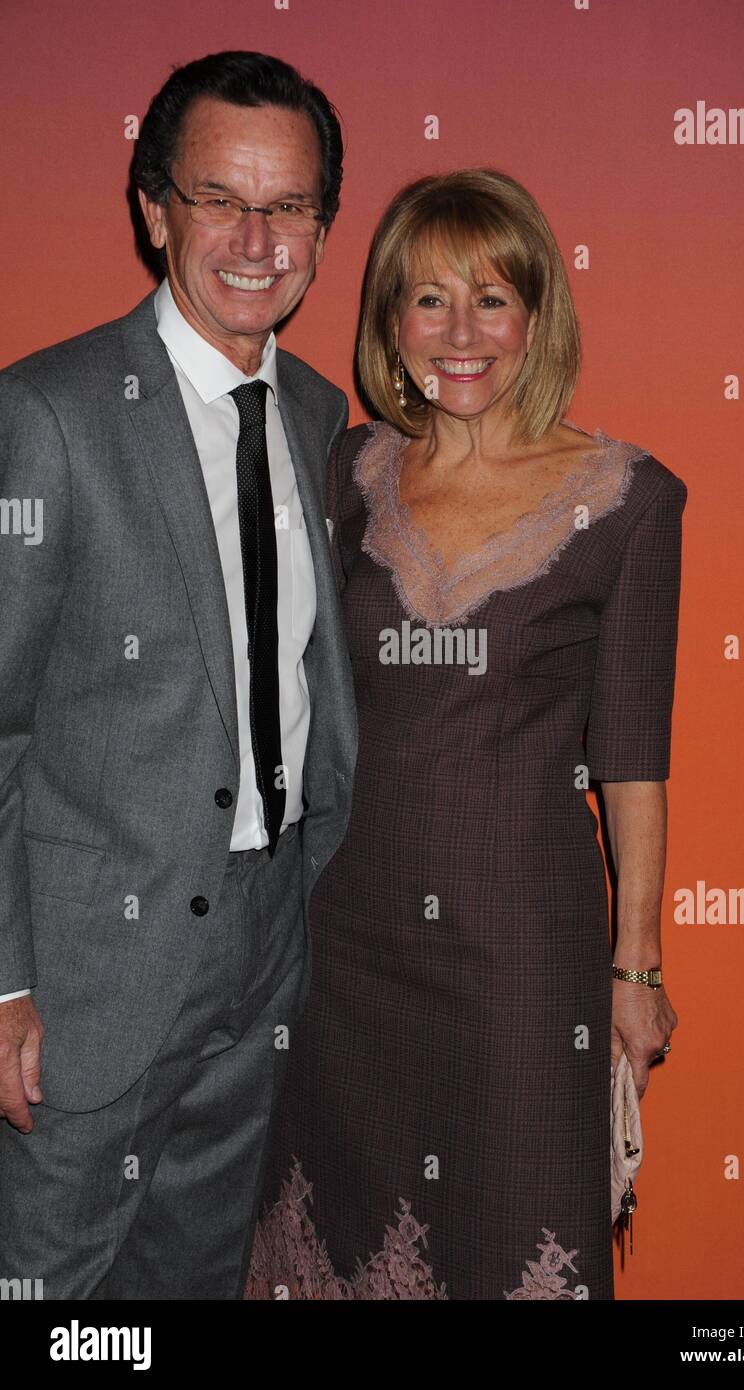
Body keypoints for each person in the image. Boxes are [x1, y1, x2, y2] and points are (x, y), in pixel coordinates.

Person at [247, 169, 687, 1302]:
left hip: (522, 956)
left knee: (513, 1229)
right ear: (389, 320)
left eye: (492, 298)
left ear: (537, 316)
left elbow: (631, 756)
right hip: (342, 943)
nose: (460, 332)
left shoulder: (628, 499)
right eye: (427, 298)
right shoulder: (344, 471)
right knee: (334, 1233)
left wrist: (633, 968)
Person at [0, 50, 356, 1299]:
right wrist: (4, 979)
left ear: (323, 223)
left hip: (264, 939)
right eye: (220, 198)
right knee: (56, 1291)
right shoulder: (49, 413)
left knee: (189, 1282)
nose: (257, 239)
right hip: (90, 971)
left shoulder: (316, 416)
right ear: (156, 211)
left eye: (291, 206)